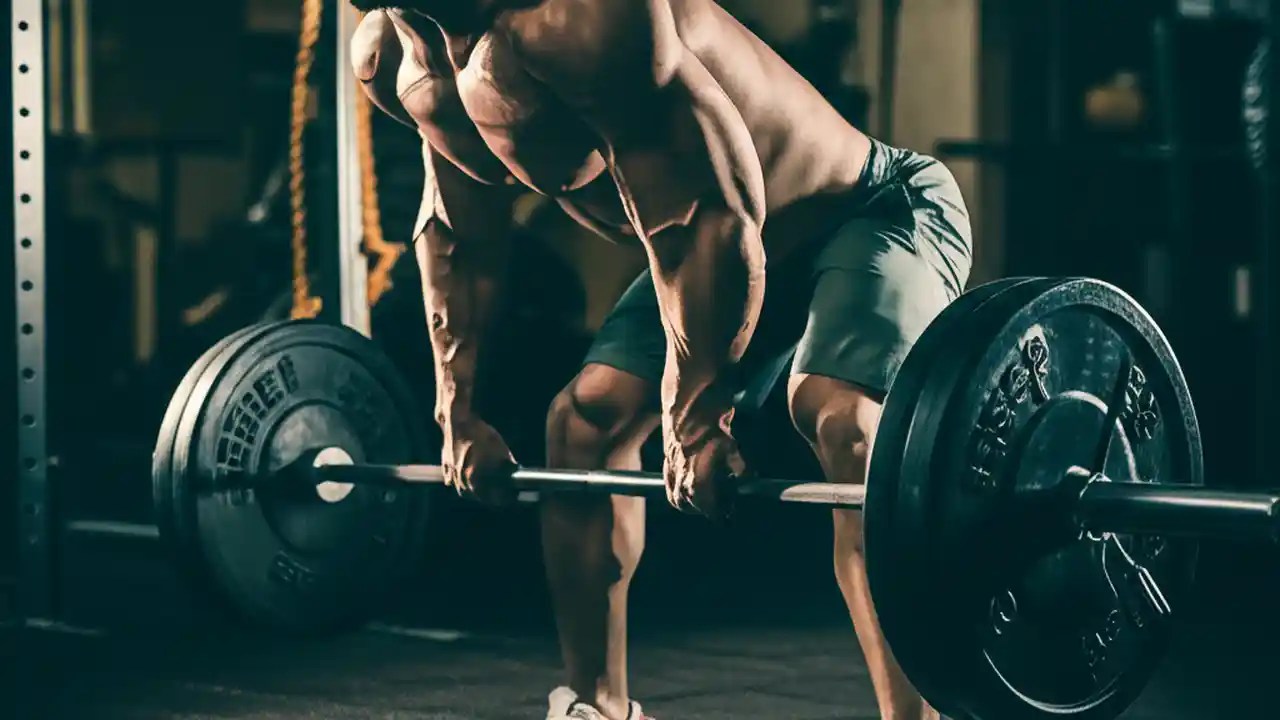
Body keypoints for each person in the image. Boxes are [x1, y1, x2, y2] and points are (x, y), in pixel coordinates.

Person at [348, 2, 972, 718]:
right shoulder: (400, 57)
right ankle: (598, 706)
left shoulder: (580, 18)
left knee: (845, 426)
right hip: (719, 240)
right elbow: (461, 235)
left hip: (868, 211)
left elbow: (714, 214)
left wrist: (697, 417)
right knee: (583, 426)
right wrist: (457, 411)